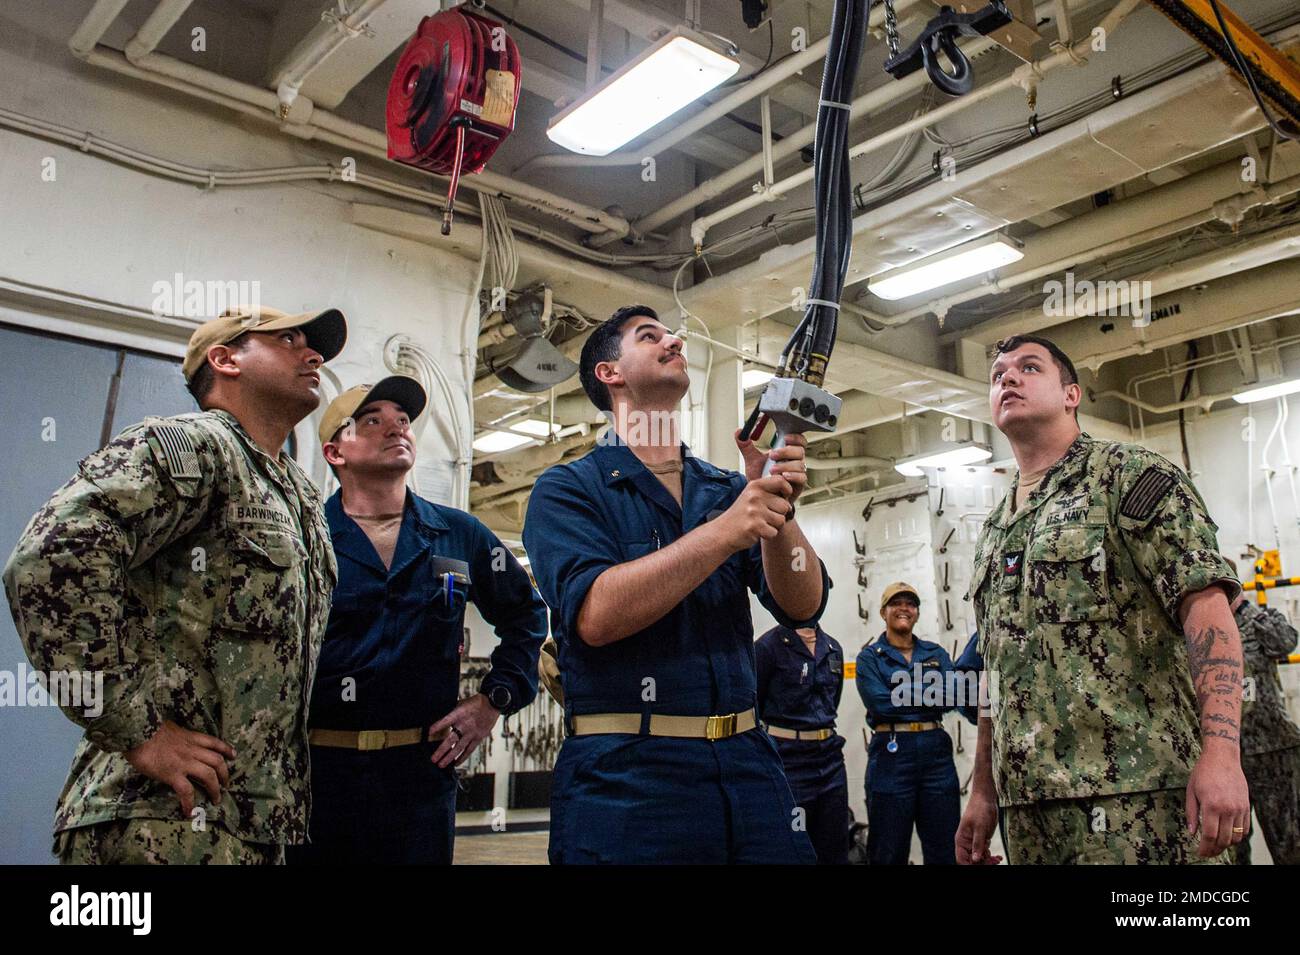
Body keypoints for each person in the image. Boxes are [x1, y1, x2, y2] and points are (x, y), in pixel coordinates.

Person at [3, 305, 346, 863]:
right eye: (288, 340)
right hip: (159, 819)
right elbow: (52, 556)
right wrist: (139, 731)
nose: (313, 355)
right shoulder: (192, 446)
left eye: (315, 347)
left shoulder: (299, 495)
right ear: (224, 358)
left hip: (255, 826)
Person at [523, 304, 829, 864]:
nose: (673, 339)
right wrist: (726, 531)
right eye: (649, 336)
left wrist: (777, 509)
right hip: (628, 779)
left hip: (749, 767)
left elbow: (803, 606)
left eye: (673, 333)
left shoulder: (725, 488)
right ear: (609, 373)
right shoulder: (567, 490)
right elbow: (595, 615)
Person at [957, 333, 1250, 865]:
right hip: (1031, 813)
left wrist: (1223, 756)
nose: (1009, 379)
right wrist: (982, 790)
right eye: (999, 375)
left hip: (1142, 801)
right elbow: (993, 671)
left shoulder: (1131, 478)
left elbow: (1208, 615)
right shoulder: (995, 530)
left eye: (1029, 368)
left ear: (1072, 394)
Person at [289, 377, 547, 864]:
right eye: (372, 421)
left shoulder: (459, 535)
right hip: (316, 777)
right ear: (334, 452)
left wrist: (493, 700)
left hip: (419, 780)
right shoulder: (305, 539)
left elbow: (527, 613)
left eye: (403, 421)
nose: (396, 428)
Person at [855, 582, 960, 864]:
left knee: (945, 846)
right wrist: (929, 693)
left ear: (916, 613)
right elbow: (880, 704)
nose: (904, 608)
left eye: (910, 604)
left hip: (936, 754)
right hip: (891, 755)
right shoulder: (869, 658)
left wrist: (900, 692)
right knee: (888, 849)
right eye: (896, 603)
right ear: (883, 612)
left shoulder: (935, 653)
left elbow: (952, 697)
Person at [1224, 560, 1300, 865]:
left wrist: (1243, 606)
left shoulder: (1259, 620)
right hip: (1230, 758)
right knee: (1233, 847)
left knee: (1290, 843)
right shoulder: (1204, 631)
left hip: (1274, 750)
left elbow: (1285, 641)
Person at [755, 624, 849, 864]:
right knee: (791, 847)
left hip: (830, 760)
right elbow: (755, 704)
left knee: (834, 848)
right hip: (787, 762)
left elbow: (831, 702)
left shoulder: (832, 648)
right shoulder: (767, 647)